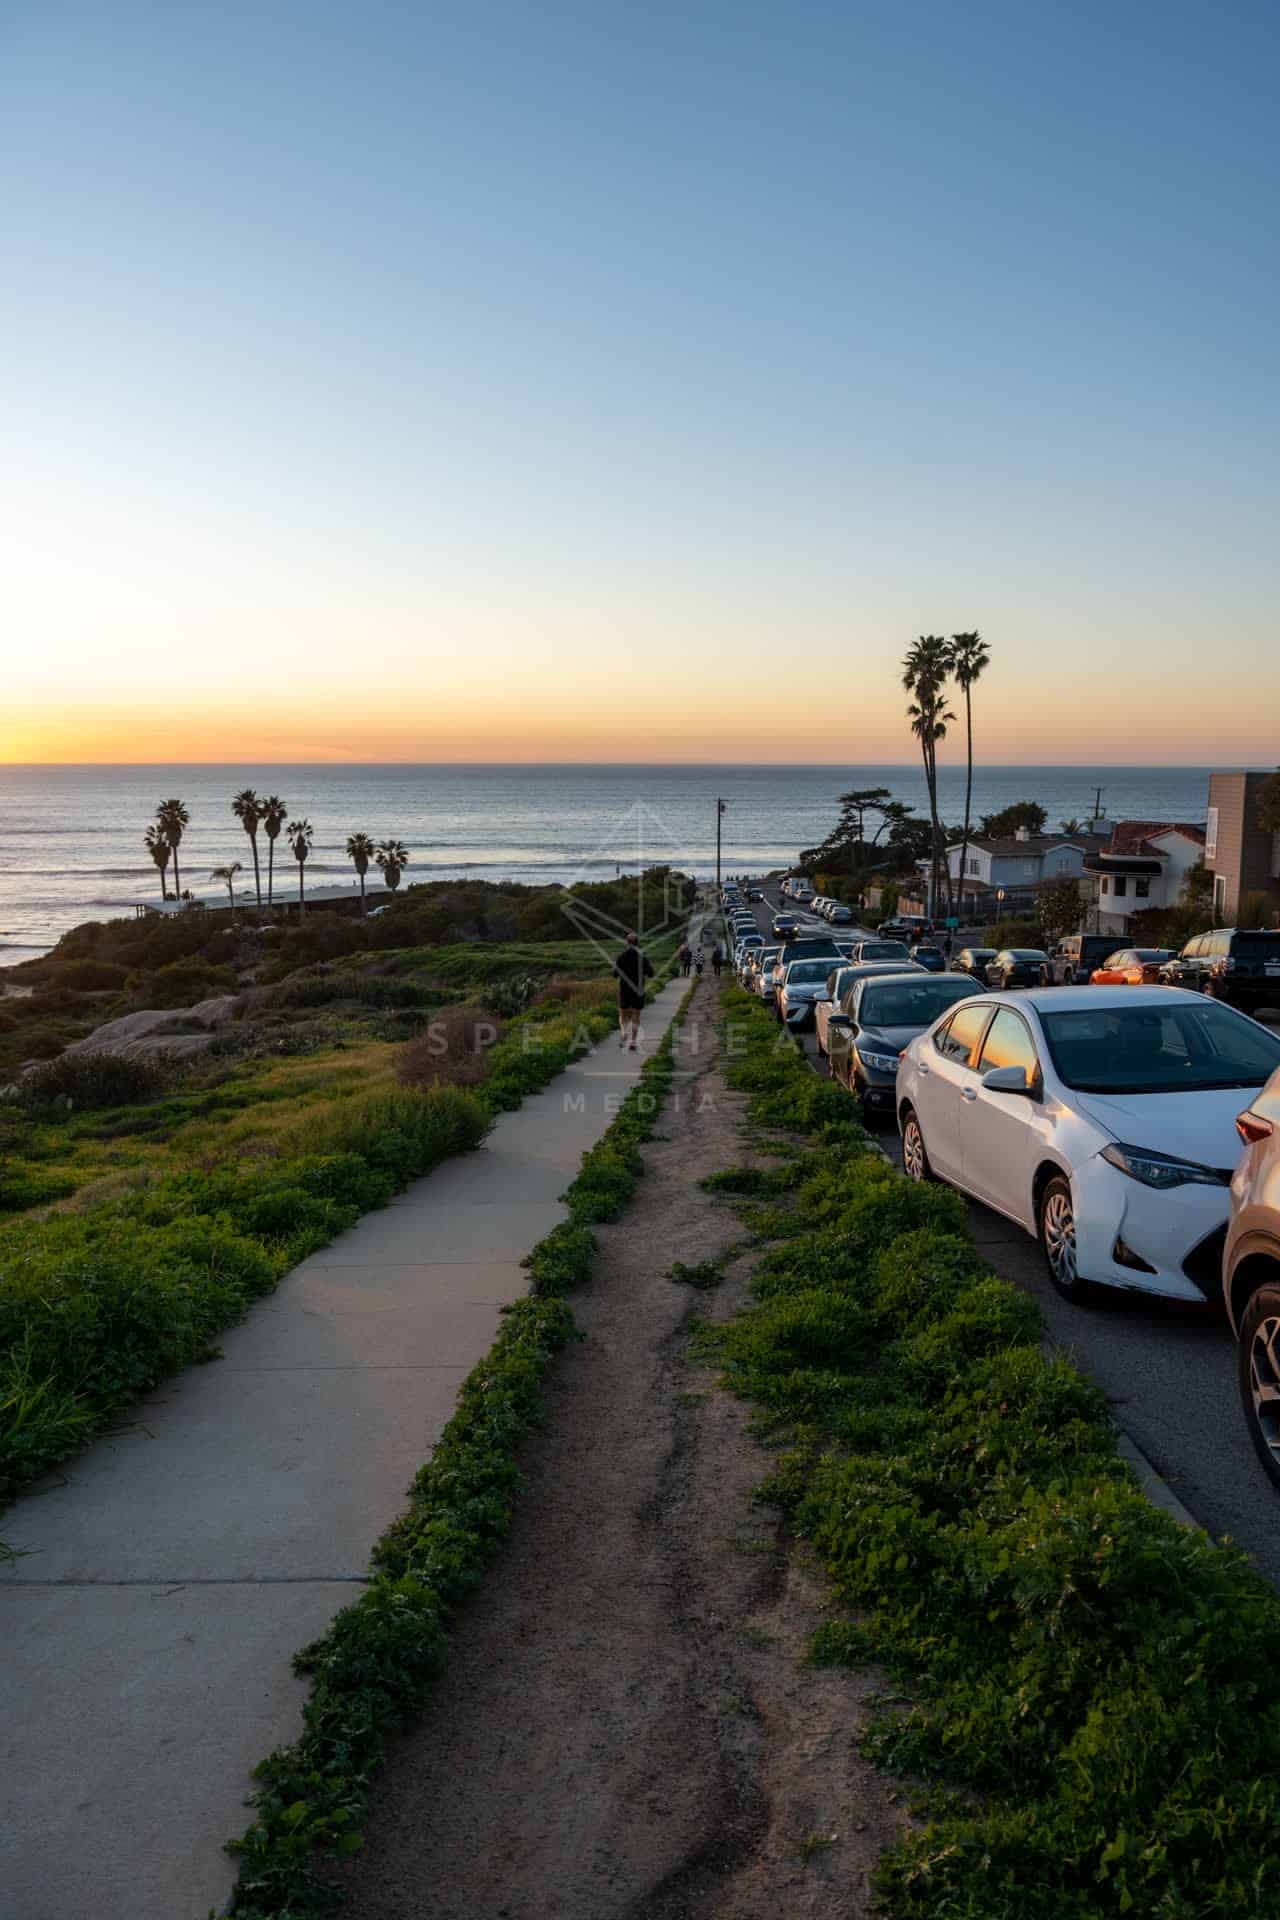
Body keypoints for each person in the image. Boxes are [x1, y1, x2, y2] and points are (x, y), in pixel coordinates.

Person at [613, 931, 653, 1050]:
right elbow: (651, 973)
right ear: (637, 943)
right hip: (638, 990)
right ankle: (633, 1042)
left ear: (627, 942)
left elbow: (615, 974)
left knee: (622, 1014)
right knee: (636, 1015)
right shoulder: (642, 957)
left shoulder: (621, 956)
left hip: (624, 990)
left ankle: (624, 1033)